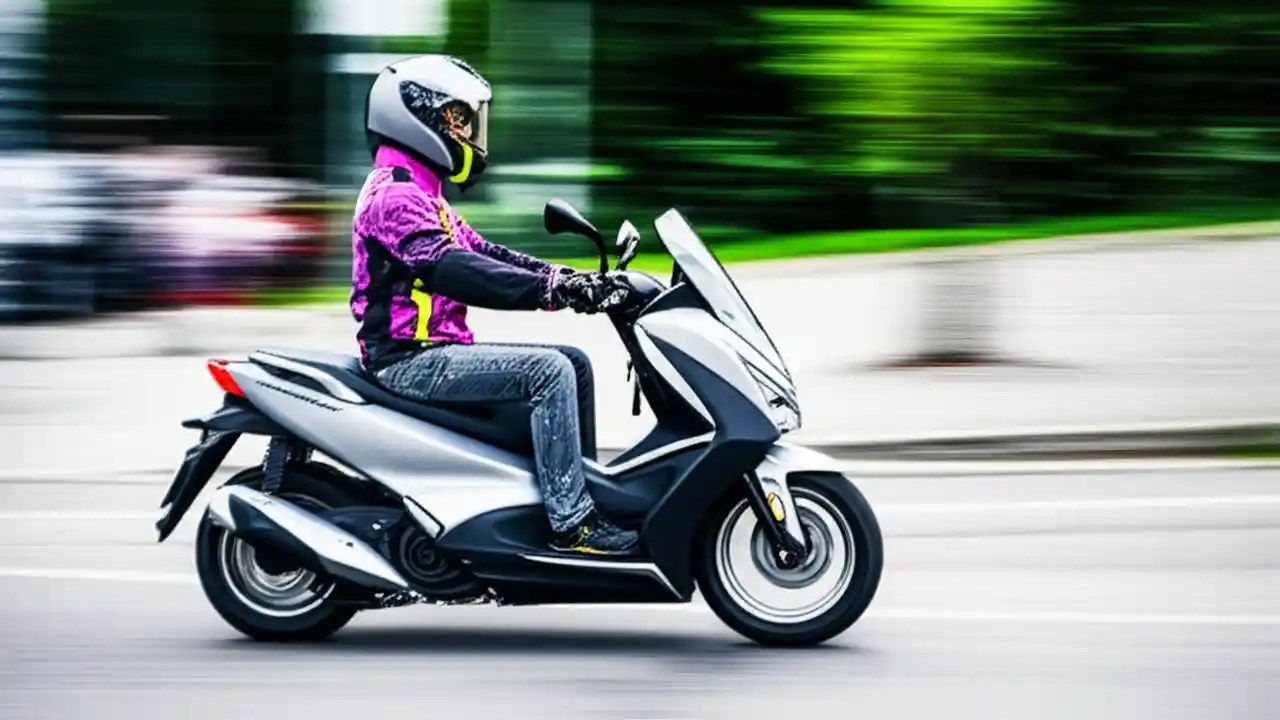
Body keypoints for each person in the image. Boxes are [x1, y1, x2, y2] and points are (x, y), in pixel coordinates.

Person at [351, 54, 638, 555]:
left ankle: (578, 496)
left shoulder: (421, 192)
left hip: (430, 351)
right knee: (549, 371)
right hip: (408, 357)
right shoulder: (395, 196)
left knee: (574, 362)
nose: (468, 133)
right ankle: (571, 525)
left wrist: (570, 281)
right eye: (458, 120)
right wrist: (552, 293)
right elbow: (452, 269)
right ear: (416, 118)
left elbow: (485, 253)